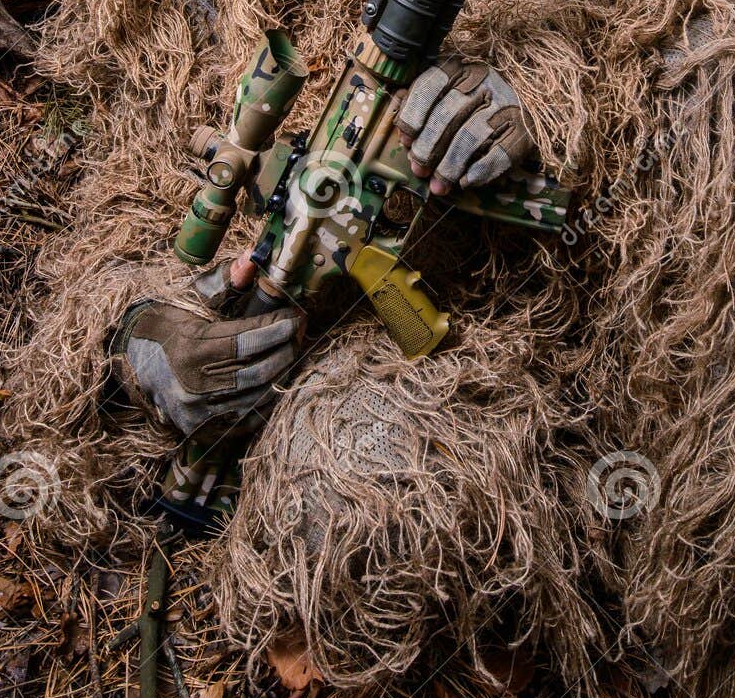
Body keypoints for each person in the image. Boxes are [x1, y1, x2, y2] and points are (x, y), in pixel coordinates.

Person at [108, 56, 535, 502]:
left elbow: (580, 212)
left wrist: (537, 109)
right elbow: (104, 248)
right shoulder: (171, 62)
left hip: (431, 401)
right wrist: (138, 336)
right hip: (208, 450)